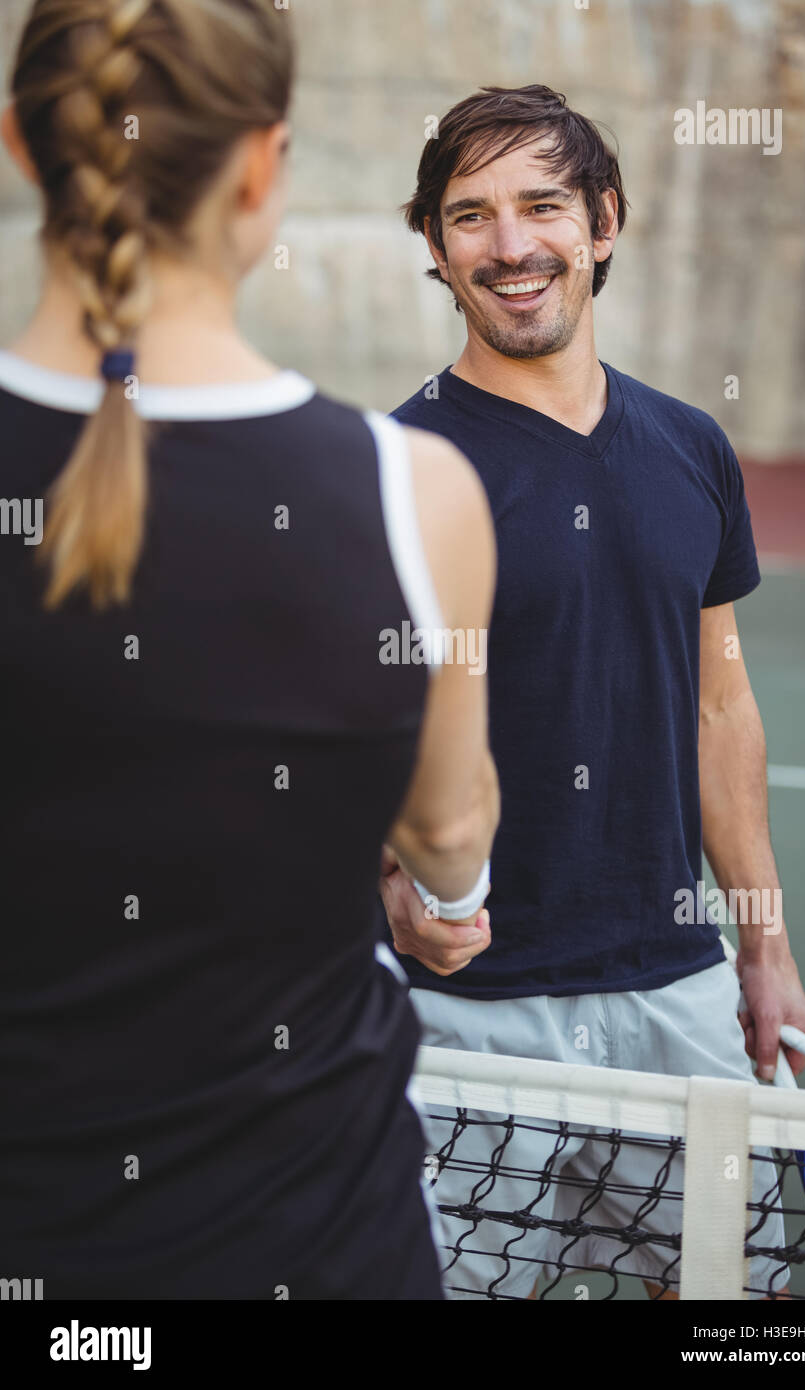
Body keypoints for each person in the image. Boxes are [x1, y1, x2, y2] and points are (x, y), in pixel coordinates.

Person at [0, 0, 498, 1300]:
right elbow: (448, 836)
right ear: (263, 165)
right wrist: (435, 902)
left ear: (19, 146)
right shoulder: (415, 494)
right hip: (318, 1245)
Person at [379, 84, 805, 1300]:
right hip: (464, 1012)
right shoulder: (393, 467)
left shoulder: (690, 447)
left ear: (603, 221)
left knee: (722, 1307)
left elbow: (718, 708)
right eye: (469, 215)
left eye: (542, 205)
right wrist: (382, 886)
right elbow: (338, 731)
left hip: (675, 987)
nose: (510, 245)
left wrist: (760, 948)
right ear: (433, 244)